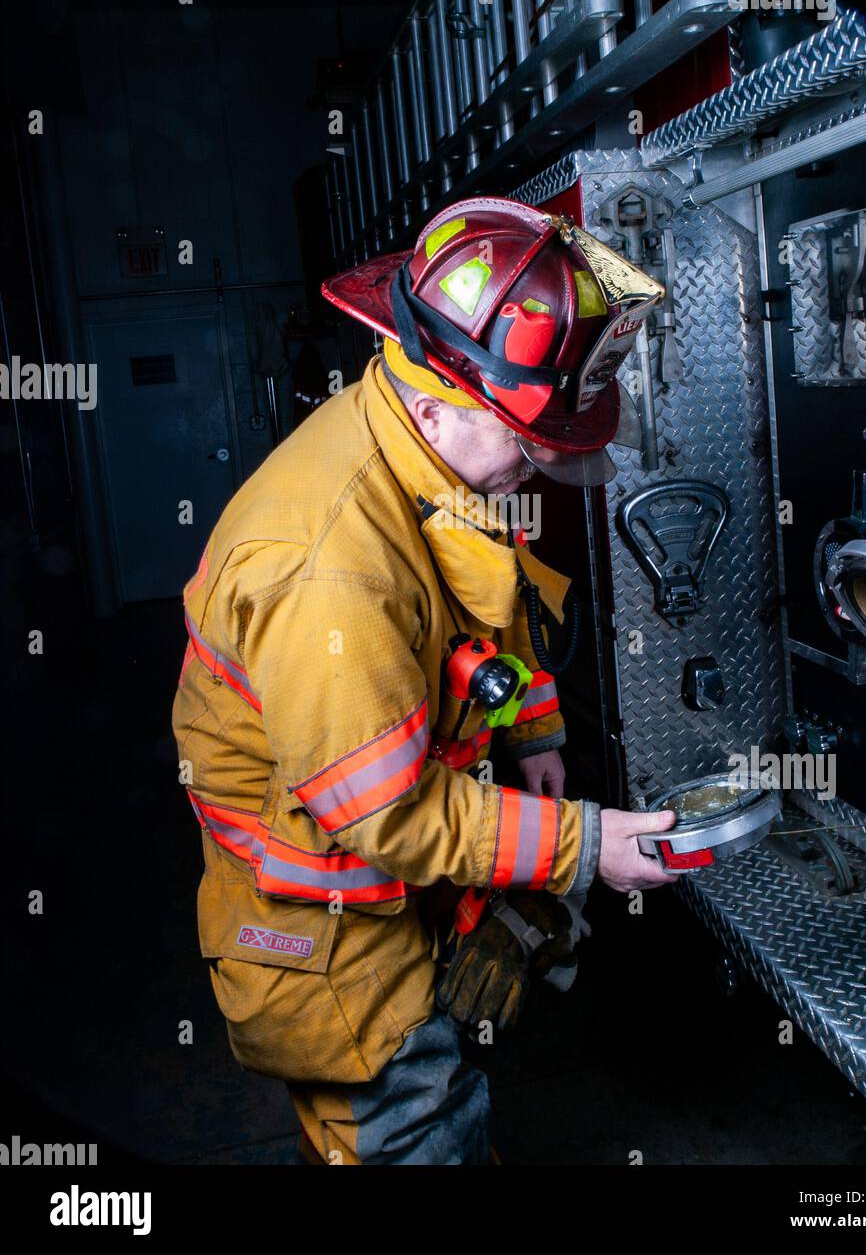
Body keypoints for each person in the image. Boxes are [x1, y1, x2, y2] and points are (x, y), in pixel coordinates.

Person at [172, 196, 676, 1165]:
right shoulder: (330, 571)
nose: (532, 462)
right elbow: (384, 814)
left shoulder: (428, 450)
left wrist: (532, 730)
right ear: (440, 399)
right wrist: (585, 845)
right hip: (320, 928)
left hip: (386, 888)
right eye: (525, 440)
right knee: (414, 1133)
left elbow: (482, 606)